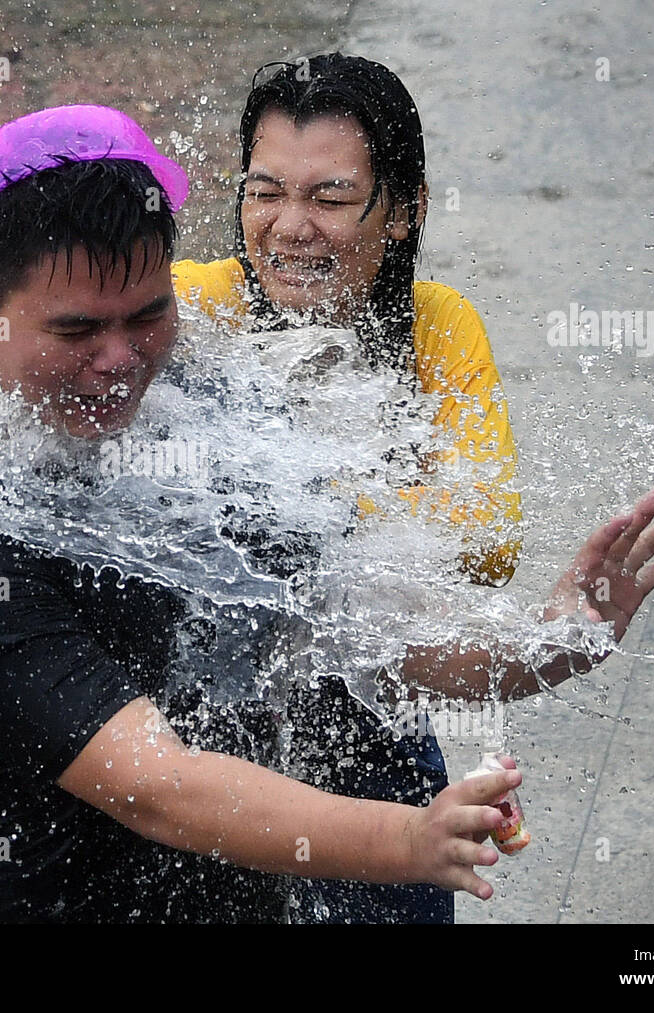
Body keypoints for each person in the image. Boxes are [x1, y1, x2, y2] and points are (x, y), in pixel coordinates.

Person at [0, 104, 654, 923]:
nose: (120, 362)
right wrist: (408, 839)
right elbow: (162, 786)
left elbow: (352, 627)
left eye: (149, 314)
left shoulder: (211, 416)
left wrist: (546, 644)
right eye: (77, 328)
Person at [173, 54, 526, 922]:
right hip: (203, 744)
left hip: (369, 738)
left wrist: (301, 498)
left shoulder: (437, 331)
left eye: (328, 198)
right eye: (264, 193)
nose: (290, 228)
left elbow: (484, 542)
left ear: (404, 210)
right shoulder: (189, 312)